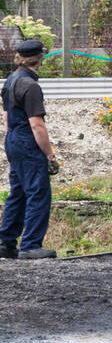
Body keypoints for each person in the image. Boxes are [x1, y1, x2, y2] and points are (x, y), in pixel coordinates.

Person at [0, 38, 59, 259]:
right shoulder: (31, 86)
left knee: (18, 192)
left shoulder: (11, 80)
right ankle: (31, 245)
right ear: (40, 58)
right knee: (38, 192)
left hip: (13, 139)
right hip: (26, 141)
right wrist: (49, 154)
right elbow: (37, 125)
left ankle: (6, 243)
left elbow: (6, 117)